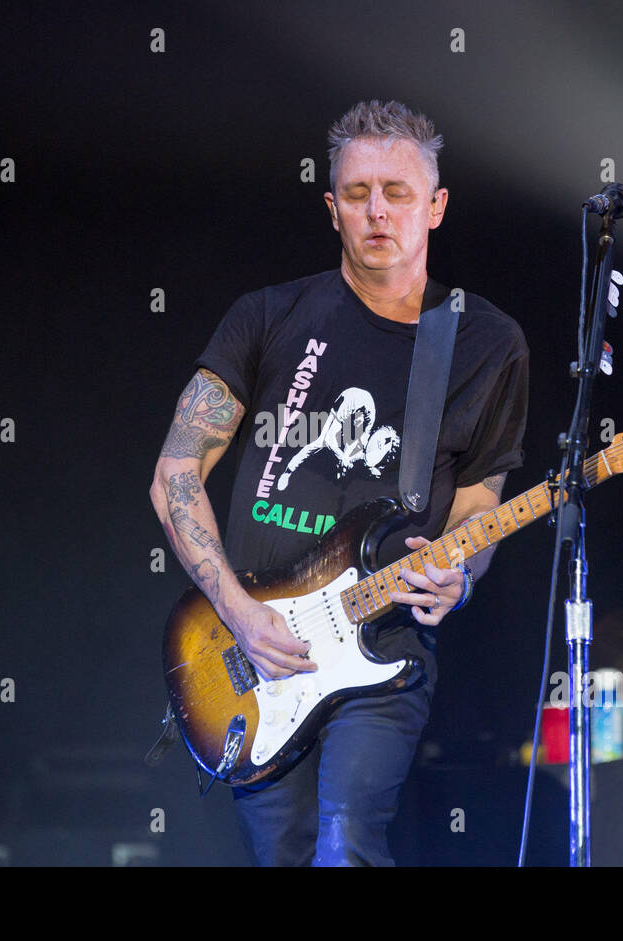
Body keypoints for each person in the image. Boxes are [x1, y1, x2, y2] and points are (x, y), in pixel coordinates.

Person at [149, 99, 529, 865]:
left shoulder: (486, 343)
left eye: (398, 192)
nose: (377, 211)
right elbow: (175, 476)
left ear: (437, 206)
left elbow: (480, 503)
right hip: (253, 649)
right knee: (285, 854)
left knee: (345, 840)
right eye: (357, 194)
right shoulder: (267, 315)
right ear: (332, 208)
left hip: (383, 641)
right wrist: (237, 612)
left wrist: (462, 573)